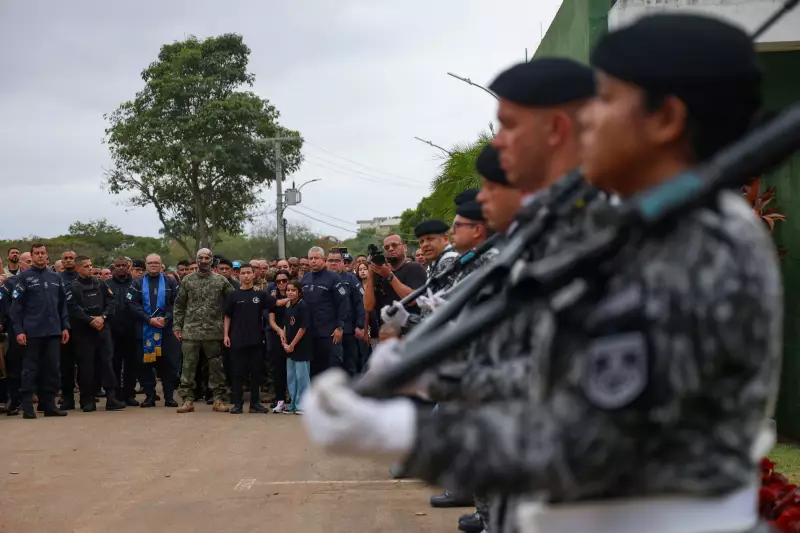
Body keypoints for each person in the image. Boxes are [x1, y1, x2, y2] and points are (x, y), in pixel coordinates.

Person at [303, 15, 780, 533]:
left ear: (665, 118)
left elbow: (597, 444)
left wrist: (410, 434)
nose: (587, 122)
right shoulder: (645, 229)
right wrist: (433, 376)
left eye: (606, 102)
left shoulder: (699, 244)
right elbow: (548, 375)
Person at [9, 244, 70, 419]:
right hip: (32, 332)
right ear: (32, 256)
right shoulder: (23, 278)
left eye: (43, 253)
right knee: (30, 370)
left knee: (52, 369)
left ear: (47, 256)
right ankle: (28, 406)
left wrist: (65, 326)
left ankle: (49, 405)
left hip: (53, 331)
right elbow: (16, 307)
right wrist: (19, 331)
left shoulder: (55, 277)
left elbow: (62, 305)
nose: (40, 256)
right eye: (37, 254)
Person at [172, 248, 234, 413]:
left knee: (216, 367)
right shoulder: (187, 280)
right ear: (197, 260)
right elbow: (179, 305)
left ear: (212, 260)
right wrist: (177, 326)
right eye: (201, 258)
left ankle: (218, 399)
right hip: (191, 331)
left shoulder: (220, 281)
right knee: (188, 366)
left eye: (207, 258)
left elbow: (233, 300)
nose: (204, 260)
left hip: (214, 331)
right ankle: (187, 400)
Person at [66, 256, 126, 412]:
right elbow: (72, 308)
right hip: (84, 332)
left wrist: (103, 317)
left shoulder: (100, 283)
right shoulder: (73, 287)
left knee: (107, 363)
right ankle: (87, 400)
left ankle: (111, 398)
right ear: (78, 268)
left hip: (102, 329)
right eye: (86, 266)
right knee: (86, 367)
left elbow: (111, 301)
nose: (90, 268)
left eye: (91, 265)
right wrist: (89, 320)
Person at [223, 263, 280, 414]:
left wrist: (293, 297)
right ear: (239, 276)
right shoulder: (233, 295)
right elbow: (227, 316)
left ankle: (255, 403)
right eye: (243, 273)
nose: (246, 275)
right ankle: (237, 404)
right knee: (237, 373)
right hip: (236, 340)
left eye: (249, 273)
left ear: (253, 275)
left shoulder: (260, 295)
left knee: (256, 373)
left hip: (256, 340)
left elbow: (276, 303)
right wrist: (226, 335)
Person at [128, 254, 180, 407]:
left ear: (161, 264)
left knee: (168, 365)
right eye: (150, 263)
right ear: (146, 265)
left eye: (156, 263)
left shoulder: (171, 281)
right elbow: (131, 304)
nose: (153, 265)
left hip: (166, 330)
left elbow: (177, 303)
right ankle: (150, 396)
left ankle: (169, 397)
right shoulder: (137, 283)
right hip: (144, 331)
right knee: (144, 366)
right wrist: (148, 319)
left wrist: (167, 317)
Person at [362, 234, 427, 335]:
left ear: (405, 247)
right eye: (387, 247)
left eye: (395, 245)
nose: (391, 249)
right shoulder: (380, 273)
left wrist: (389, 275)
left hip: (410, 334)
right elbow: (368, 306)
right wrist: (371, 273)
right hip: (387, 336)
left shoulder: (414, 268)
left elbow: (413, 300)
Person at [301, 247, 349, 377]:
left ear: (323, 260)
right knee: (314, 370)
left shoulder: (333, 278)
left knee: (332, 369)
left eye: (316, 258)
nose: (313, 261)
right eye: (311, 258)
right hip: (310, 332)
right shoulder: (305, 278)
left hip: (329, 332)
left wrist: (340, 327)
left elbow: (344, 303)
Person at [326, 249, 365, 377]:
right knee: (331, 367)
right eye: (330, 260)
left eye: (336, 261)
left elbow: (360, 303)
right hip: (327, 330)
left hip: (348, 329)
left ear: (342, 262)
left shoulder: (351, 279)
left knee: (350, 365)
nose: (333, 263)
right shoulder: (322, 278)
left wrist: (360, 325)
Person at [106, 257, 140, 405]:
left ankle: (129, 394)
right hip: (112, 331)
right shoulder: (106, 284)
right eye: (118, 266)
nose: (121, 268)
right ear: (114, 267)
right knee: (114, 363)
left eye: (124, 266)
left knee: (131, 365)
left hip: (131, 329)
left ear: (129, 267)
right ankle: (116, 394)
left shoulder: (135, 284)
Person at [282, 280, 310, 414]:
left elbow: (302, 328)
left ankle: (302, 405)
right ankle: (292, 404)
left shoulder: (303, 306)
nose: (290, 292)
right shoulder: (288, 305)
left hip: (301, 347)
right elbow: (285, 325)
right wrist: (284, 341)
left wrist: (292, 344)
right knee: (291, 377)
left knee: (302, 377)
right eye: (288, 290)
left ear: (299, 292)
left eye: (293, 290)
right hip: (288, 347)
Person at [268, 270, 292, 413]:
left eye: (284, 280)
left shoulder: (296, 295)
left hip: (294, 336)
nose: (282, 284)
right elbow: (271, 320)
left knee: (294, 370)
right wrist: (280, 331)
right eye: (278, 281)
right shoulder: (272, 298)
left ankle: (294, 399)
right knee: (278, 369)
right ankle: (280, 399)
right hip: (277, 335)